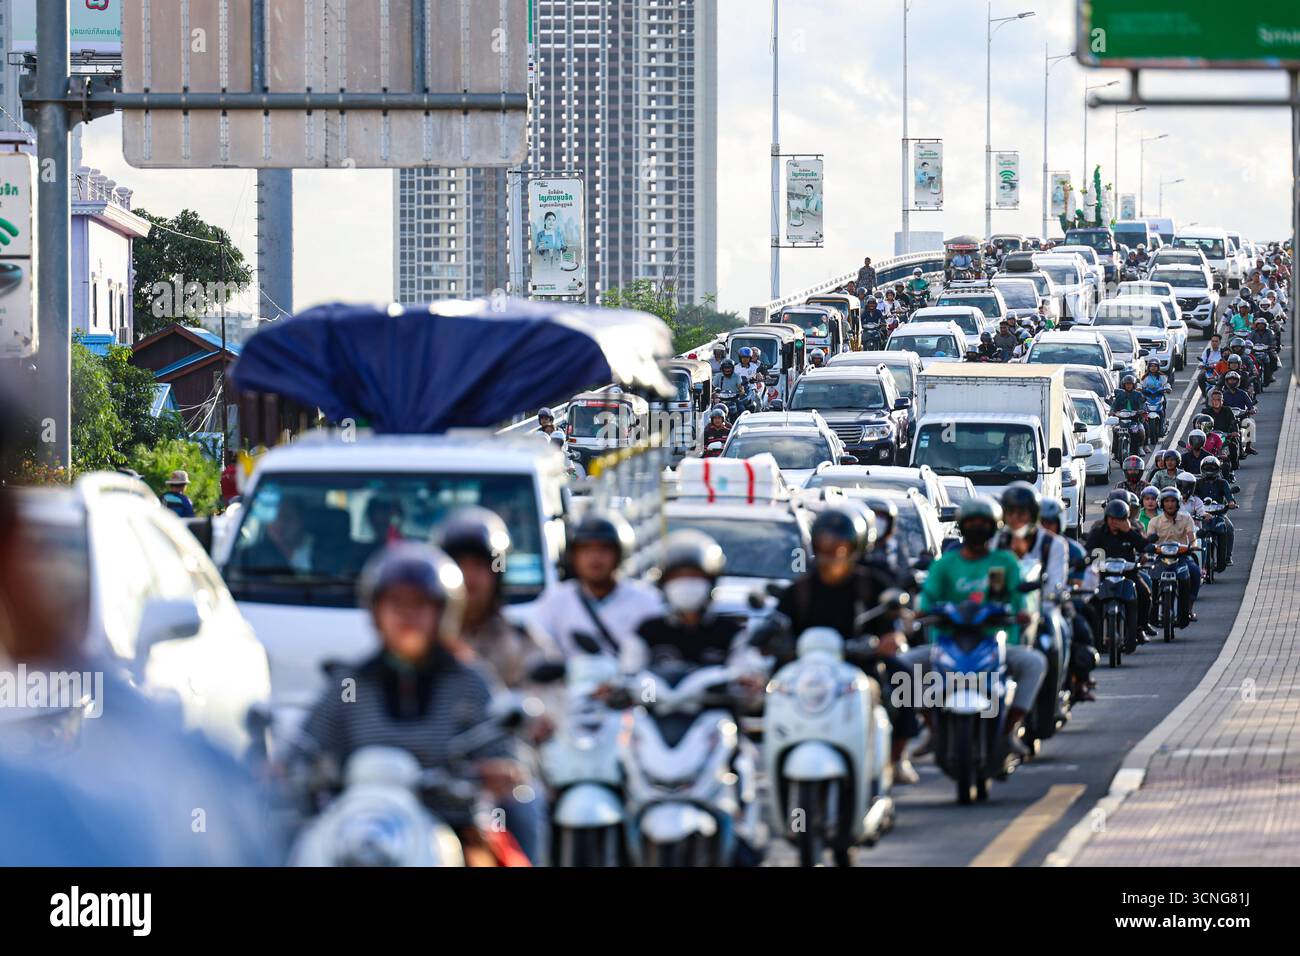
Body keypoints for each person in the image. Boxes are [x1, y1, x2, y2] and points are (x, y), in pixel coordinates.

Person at [288, 543, 530, 865]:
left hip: (452, 823)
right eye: (396, 603)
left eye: (420, 604)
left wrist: (499, 769)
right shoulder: (351, 681)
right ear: (376, 611)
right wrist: (283, 767)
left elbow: (501, 745)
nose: (407, 614)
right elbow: (309, 742)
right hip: (360, 829)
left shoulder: (469, 680)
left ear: (442, 612)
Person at [636, 530, 765, 863]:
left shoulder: (729, 630)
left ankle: (739, 835)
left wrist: (747, 682)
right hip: (657, 733)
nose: (686, 585)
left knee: (743, 771)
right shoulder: (648, 630)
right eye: (678, 577)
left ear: (711, 581)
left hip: (718, 733)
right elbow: (628, 672)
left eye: (694, 577)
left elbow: (746, 671)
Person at [775, 507, 919, 783]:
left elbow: (891, 627)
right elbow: (780, 625)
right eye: (826, 545)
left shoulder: (872, 584)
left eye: (841, 545)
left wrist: (888, 641)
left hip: (859, 664)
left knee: (903, 674)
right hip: (809, 669)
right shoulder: (800, 589)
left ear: (856, 546)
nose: (834, 552)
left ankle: (896, 757)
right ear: (815, 545)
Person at [899, 497, 1045, 762]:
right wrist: (920, 612)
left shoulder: (1003, 562)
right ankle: (930, 727)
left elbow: (1011, 597)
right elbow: (928, 597)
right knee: (902, 665)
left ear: (993, 528)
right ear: (962, 527)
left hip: (995, 644)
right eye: (972, 523)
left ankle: (1009, 730)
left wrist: (1022, 613)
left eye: (984, 524)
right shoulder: (945, 565)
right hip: (946, 644)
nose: (978, 528)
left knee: (1035, 662)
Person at [529, 512, 664, 672]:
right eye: (586, 549)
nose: (595, 557)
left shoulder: (647, 601)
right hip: (572, 693)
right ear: (573, 556)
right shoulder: (554, 600)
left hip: (631, 692)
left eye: (604, 549)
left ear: (620, 554)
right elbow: (538, 649)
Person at [1039, 497, 1097, 703]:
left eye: (1050, 522)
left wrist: (1068, 590)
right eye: (1041, 522)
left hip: (1062, 602)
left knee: (1082, 627)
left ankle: (1081, 680)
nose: (1045, 527)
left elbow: (1084, 579)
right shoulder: (1025, 546)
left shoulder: (1072, 548)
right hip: (1029, 606)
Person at [1084, 498, 1155, 651]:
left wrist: (1129, 532)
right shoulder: (1098, 532)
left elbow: (1144, 545)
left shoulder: (1131, 532)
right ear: (1106, 518)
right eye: (1112, 518)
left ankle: (1139, 629)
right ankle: (1092, 637)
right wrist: (1087, 559)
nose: (1114, 522)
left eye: (1119, 519)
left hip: (1128, 574)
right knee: (1089, 601)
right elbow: (1088, 549)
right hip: (1103, 575)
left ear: (1126, 519)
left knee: (1144, 594)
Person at [1147, 487, 1199, 627]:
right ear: (1161, 503)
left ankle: (1188, 608)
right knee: (1149, 577)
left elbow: (1191, 537)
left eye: (1172, 501)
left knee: (1194, 571)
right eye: (1167, 501)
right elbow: (1149, 540)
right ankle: (1151, 612)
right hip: (1160, 558)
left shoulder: (1186, 518)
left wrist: (1193, 545)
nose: (1170, 504)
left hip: (1182, 556)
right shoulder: (1154, 522)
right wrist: (1149, 545)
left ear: (1178, 503)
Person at [1193, 457, 1237, 572]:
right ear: (1202, 469)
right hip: (1201, 516)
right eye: (1207, 468)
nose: (1209, 470)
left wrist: (1231, 503)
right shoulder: (1197, 483)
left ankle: (1227, 556)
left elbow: (1229, 496)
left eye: (1213, 468)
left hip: (1219, 515)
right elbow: (1193, 497)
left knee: (1230, 528)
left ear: (1218, 469)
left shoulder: (1223, 483)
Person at [1220, 372, 1259, 456]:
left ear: (1238, 381)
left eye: (1234, 380)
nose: (1232, 382)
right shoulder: (1223, 395)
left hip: (1241, 418)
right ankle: (1220, 448)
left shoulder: (1243, 393)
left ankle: (1248, 447)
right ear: (1226, 382)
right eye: (1230, 380)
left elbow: (1250, 406)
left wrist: (1252, 410)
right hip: (1228, 420)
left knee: (1250, 424)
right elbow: (1219, 407)